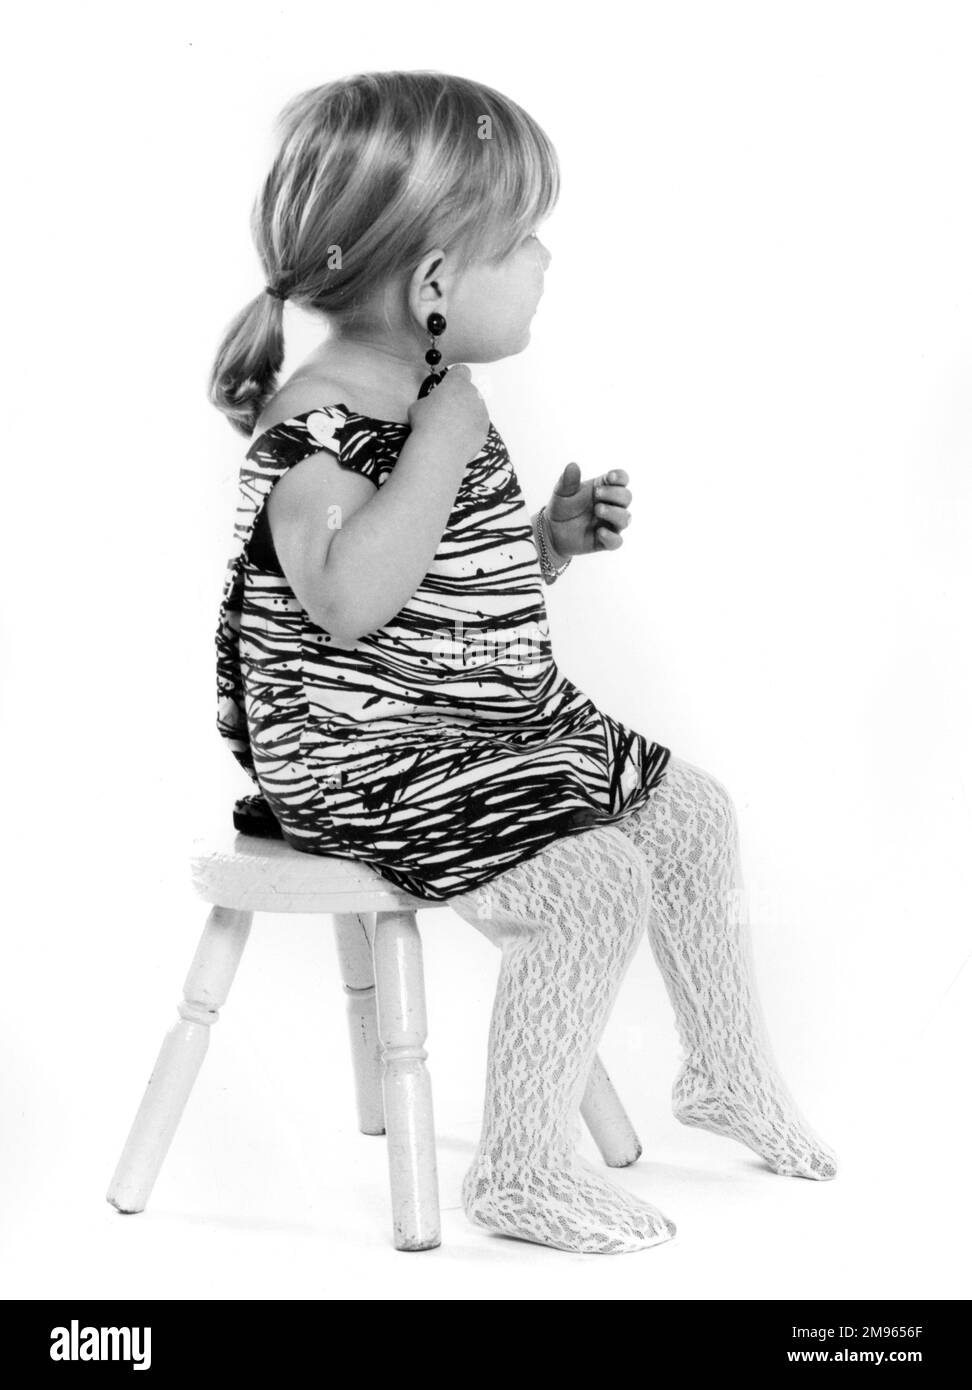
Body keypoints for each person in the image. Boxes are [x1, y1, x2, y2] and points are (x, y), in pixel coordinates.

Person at [208, 70, 838, 1255]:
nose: (545, 259)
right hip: (369, 758)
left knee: (694, 815)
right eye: (523, 239)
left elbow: (441, 599)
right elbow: (346, 605)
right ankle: (523, 1168)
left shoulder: (433, 390)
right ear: (437, 284)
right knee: (595, 883)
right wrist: (444, 449)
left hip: (481, 722)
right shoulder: (323, 420)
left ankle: (726, 1072)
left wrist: (543, 546)